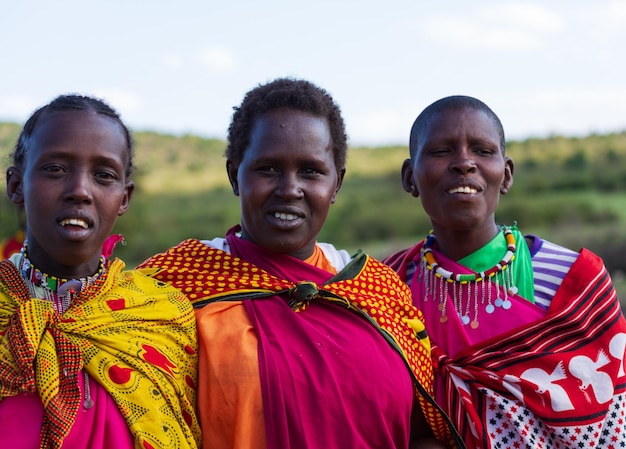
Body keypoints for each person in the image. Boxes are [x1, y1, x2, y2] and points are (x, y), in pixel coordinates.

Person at [137, 78, 461, 448]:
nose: (290, 189)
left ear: (336, 184)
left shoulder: (378, 291)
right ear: (234, 175)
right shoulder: (171, 288)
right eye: (269, 169)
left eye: (310, 171)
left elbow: (423, 431)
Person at [384, 95, 626, 449]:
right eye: (441, 151)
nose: (464, 163)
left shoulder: (574, 281)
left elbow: (613, 421)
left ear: (507, 173)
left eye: (482, 150)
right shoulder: (387, 287)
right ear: (410, 178)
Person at [0, 94, 201, 449]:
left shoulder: (162, 316)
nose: (80, 191)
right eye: (55, 169)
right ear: (16, 185)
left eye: (103, 175)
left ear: (124, 198)